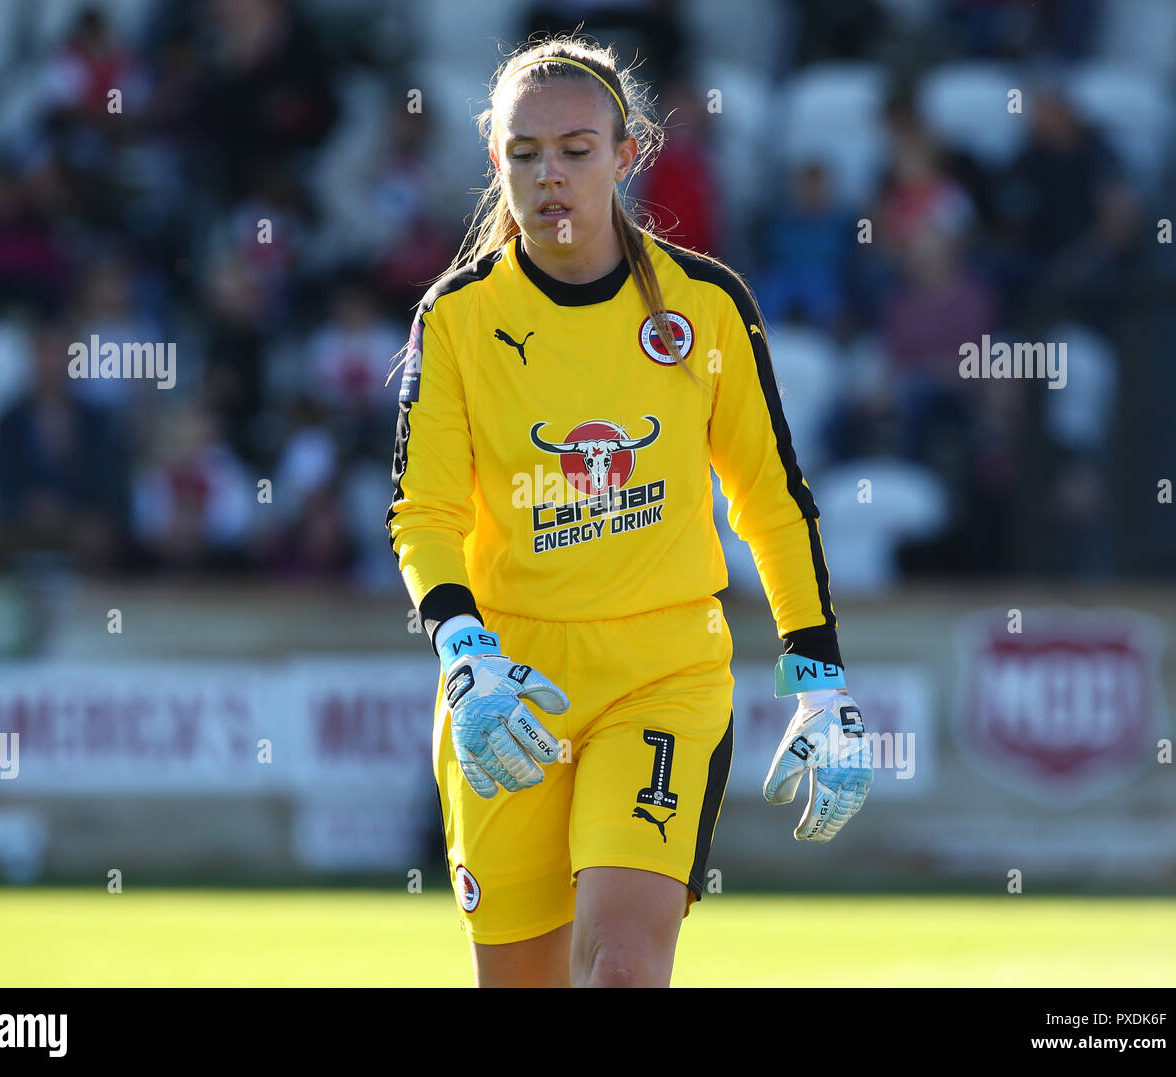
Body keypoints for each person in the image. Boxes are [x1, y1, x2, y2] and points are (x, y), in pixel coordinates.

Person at [386, 37, 873, 988]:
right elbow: (423, 512)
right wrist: (463, 656)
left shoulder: (707, 307)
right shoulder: (453, 321)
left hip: (664, 673)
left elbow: (772, 497)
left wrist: (819, 674)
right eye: (525, 154)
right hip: (510, 687)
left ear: (627, 152)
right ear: (497, 160)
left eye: (576, 149)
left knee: (619, 967)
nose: (551, 175)